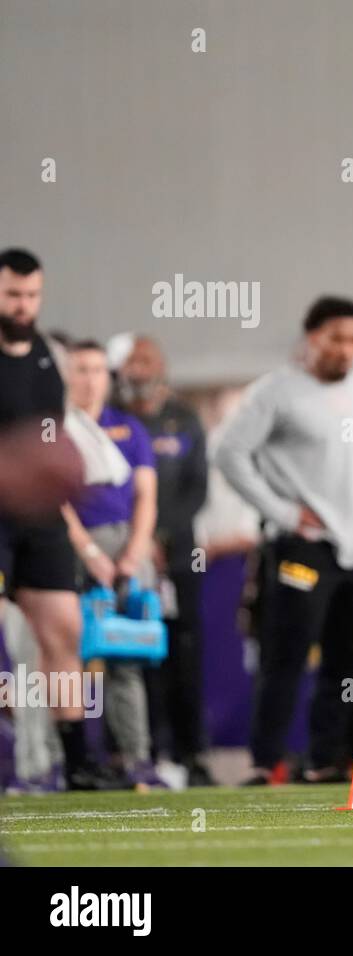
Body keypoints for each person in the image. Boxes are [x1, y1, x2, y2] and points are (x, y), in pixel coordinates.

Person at [216, 296, 353, 785]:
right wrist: (280, 512)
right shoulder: (274, 392)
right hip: (300, 546)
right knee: (286, 653)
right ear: (311, 337)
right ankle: (264, 761)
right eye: (336, 338)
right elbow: (231, 454)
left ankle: (327, 759)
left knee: (352, 659)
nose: (346, 349)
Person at [0, 249, 109, 791]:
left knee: (64, 629)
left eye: (31, 296)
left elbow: (56, 442)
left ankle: (78, 762)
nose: (22, 305)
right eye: (12, 295)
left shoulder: (48, 355)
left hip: (38, 516)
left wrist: (79, 535)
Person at [61, 340, 168, 788]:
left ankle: (136, 760)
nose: (91, 379)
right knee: (65, 659)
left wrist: (134, 552)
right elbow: (51, 497)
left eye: (99, 370)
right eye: (81, 369)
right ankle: (66, 764)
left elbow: (147, 495)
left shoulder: (127, 427)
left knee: (127, 657)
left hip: (126, 548)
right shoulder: (54, 429)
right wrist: (87, 550)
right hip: (71, 547)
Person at [116, 335, 212, 785]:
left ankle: (192, 755)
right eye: (132, 361)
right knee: (135, 652)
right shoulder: (111, 419)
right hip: (125, 554)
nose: (140, 369)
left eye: (147, 359)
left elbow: (198, 488)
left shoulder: (183, 418)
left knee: (184, 652)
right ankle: (142, 754)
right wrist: (139, 539)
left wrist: (164, 534)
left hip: (179, 556)